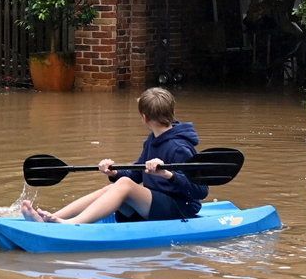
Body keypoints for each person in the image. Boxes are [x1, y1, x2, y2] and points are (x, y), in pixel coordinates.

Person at [20, 86, 208, 224]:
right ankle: (54, 217)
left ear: (144, 117)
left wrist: (168, 174)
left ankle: (72, 224)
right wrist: (114, 173)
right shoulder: (152, 140)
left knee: (124, 185)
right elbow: (135, 174)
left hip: (181, 209)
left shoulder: (180, 147)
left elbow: (201, 191)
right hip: (157, 204)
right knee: (116, 185)